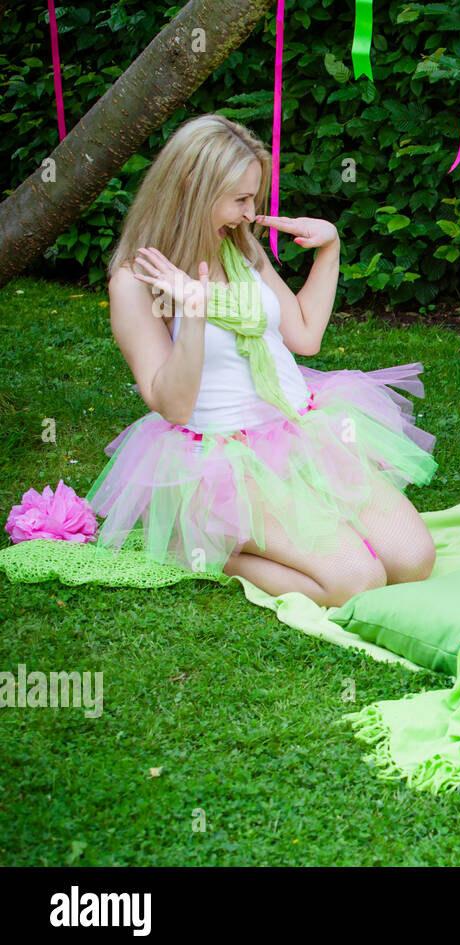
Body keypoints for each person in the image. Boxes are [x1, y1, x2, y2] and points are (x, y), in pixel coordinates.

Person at [88, 114, 438, 607]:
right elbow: (173, 405)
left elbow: (304, 335)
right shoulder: (134, 281)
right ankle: (193, 544)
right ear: (193, 187)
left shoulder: (238, 245)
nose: (252, 212)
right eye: (241, 198)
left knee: (413, 559)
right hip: (224, 463)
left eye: (254, 197)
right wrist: (195, 315)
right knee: (355, 581)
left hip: (301, 433)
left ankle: (294, 530)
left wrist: (330, 247)